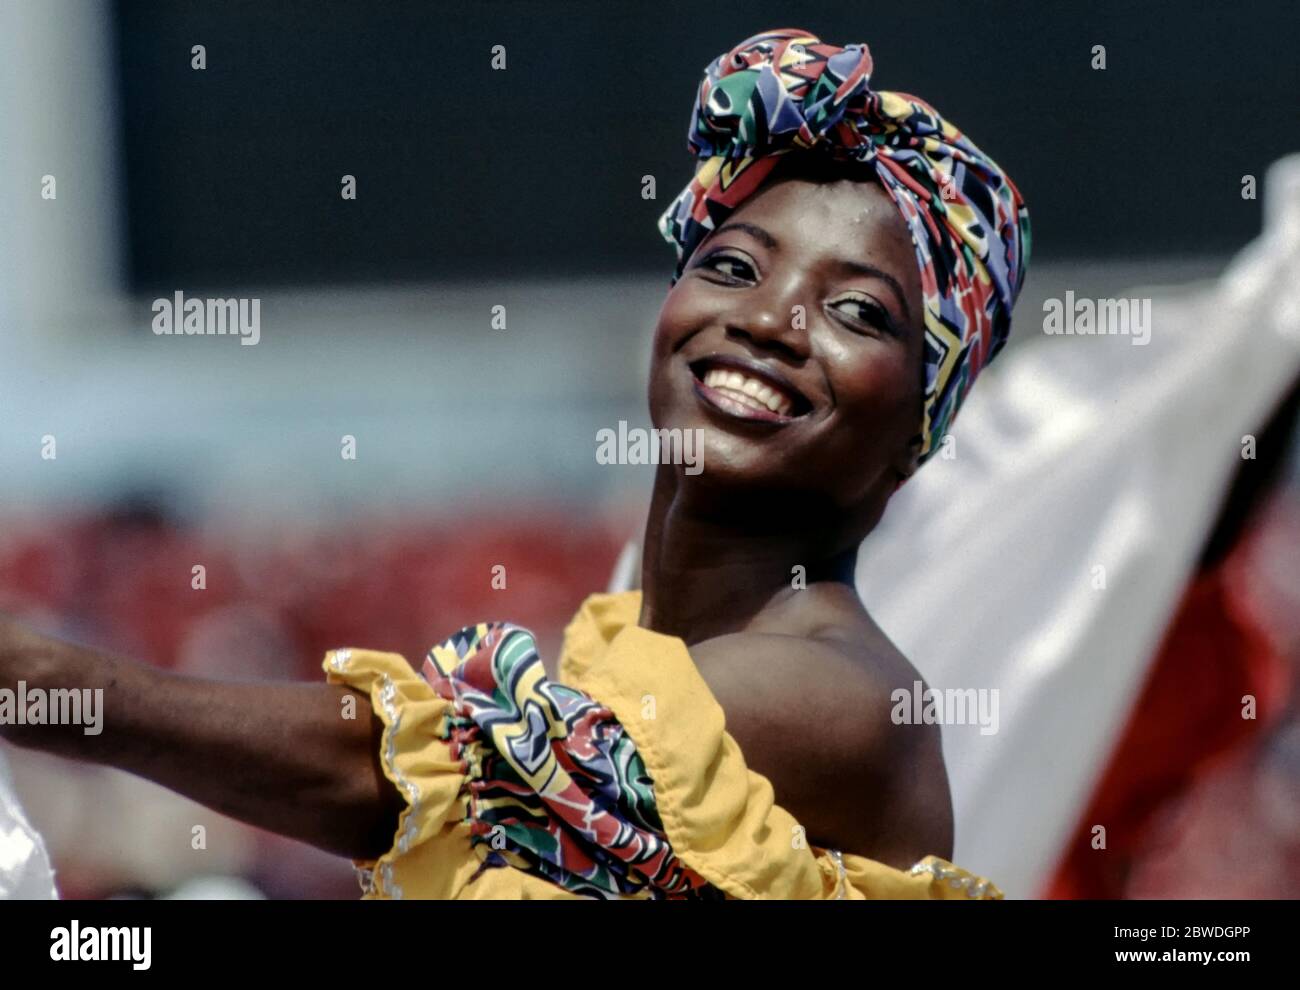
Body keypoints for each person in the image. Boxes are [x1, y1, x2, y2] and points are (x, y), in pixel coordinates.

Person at [0, 28, 1029, 899]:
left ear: (917, 433)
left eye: (856, 312)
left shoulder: (833, 698)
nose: (767, 319)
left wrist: (57, 683)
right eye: (730, 266)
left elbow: (417, 779)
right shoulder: (623, 642)